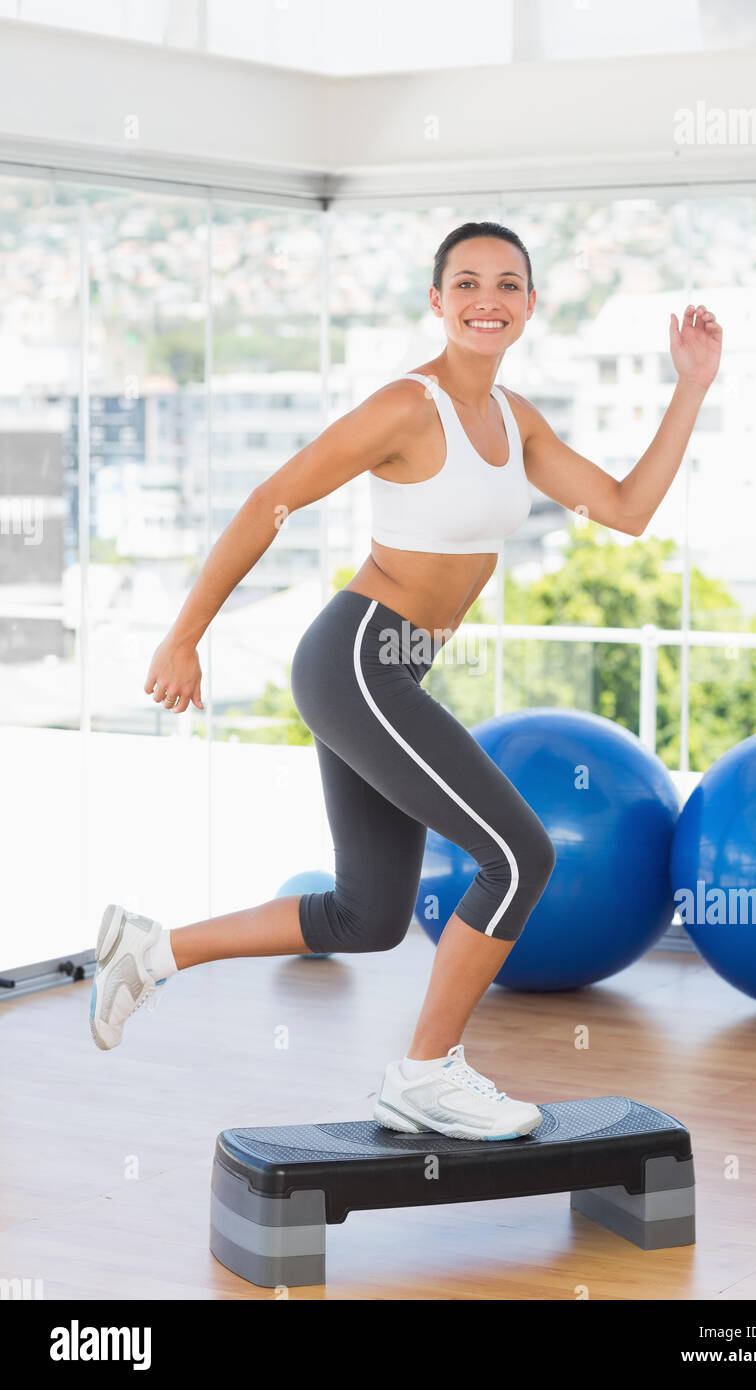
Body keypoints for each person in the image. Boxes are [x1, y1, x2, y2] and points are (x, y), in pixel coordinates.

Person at [89, 220, 722, 1141]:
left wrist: (691, 388)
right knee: (520, 857)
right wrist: (185, 636)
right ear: (438, 301)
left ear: (530, 305)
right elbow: (273, 498)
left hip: (390, 670)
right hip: (355, 658)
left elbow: (624, 510)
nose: (486, 301)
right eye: (466, 283)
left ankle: (152, 950)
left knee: (370, 913)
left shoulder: (517, 421)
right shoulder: (406, 407)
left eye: (507, 285)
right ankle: (424, 1075)